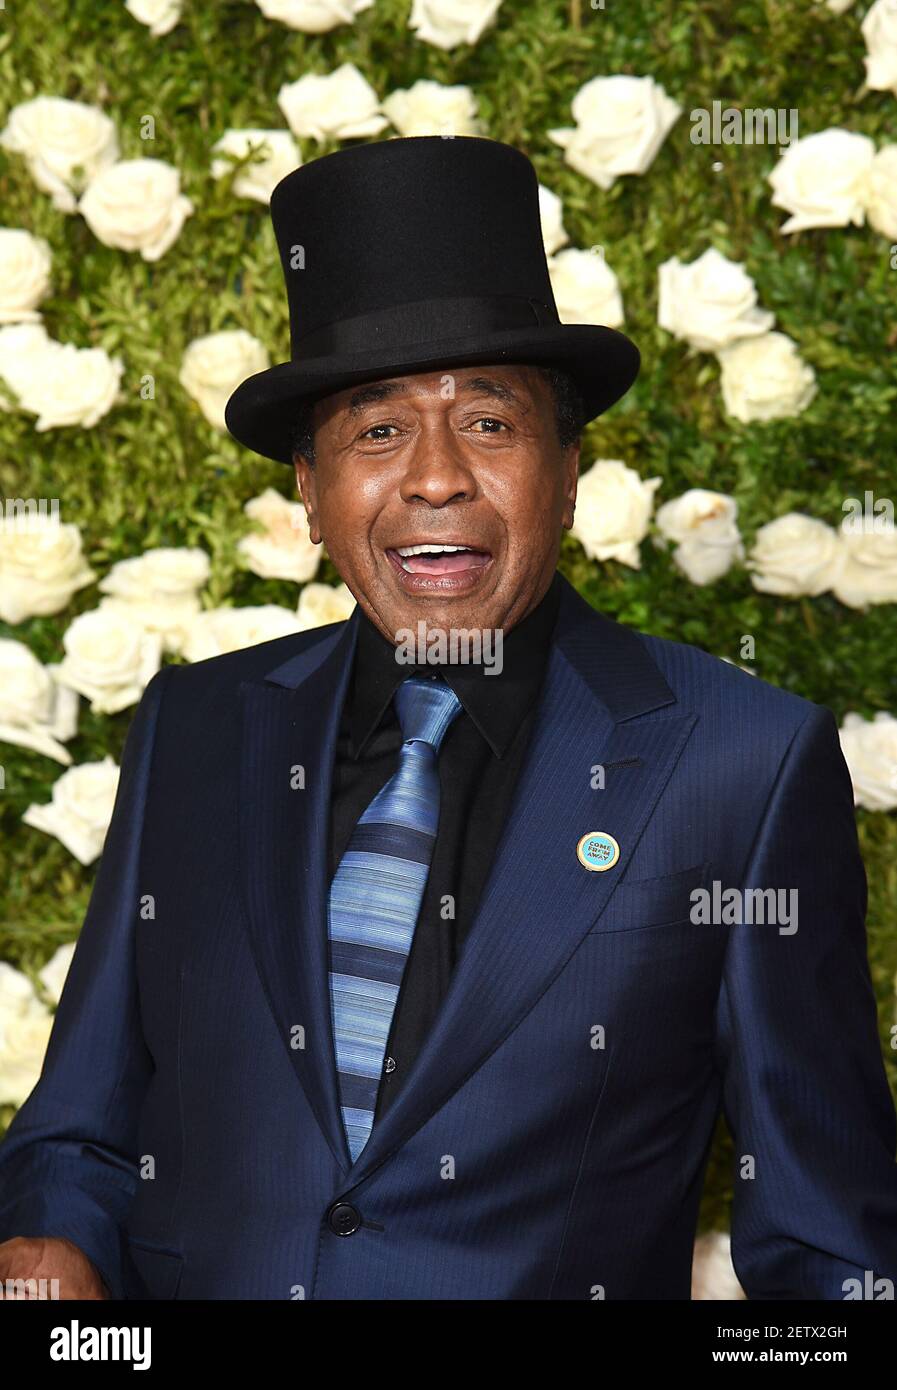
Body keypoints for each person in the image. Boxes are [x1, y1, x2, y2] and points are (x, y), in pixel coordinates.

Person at [1, 135, 895, 1301]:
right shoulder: (198, 727)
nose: (433, 477)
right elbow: (80, 1134)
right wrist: (46, 1254)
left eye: (487, 421)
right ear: (310, 493)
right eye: (376, 429)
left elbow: (834, 1255)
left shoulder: (742, 760)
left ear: (569, 470)